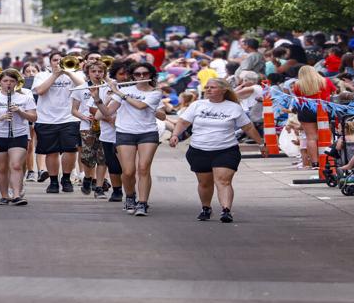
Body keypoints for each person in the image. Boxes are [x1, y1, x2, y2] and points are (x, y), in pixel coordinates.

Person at [171, 78, 259, 224]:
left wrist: (261, 144)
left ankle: (226, 211)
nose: (208, 89)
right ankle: (206, 208)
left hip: (226, 149)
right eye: (207, 87)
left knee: (223, 181)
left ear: (224, 90)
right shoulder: (197, 105)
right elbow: (183, 122)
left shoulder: (233, 107)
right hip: (199, 149)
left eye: (212, 87)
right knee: (205, 183)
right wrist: (175, 135)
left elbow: (248, 127)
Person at [102, 61, 165, 216]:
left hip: (148, 132)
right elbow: (108, 112)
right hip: (125, 132)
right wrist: (98, 98)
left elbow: (140, 106)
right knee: (128, 171)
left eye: (145, 74)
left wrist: (119, 93)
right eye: (137, 74)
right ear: (132, 76)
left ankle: (143, 203)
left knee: (143, 168)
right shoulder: (125, 89)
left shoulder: (155, 92)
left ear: (151, 75)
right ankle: (130, 196)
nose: (141, 76)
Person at [31, 54, 84, 193]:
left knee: (70, 150)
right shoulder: (42, 75)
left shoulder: (75, 73)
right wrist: (55, 74)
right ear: (50, 63)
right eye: (55, 60)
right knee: (51, 151)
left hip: (69, 118)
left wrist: (68, 72)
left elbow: (83, 87)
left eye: (61, 60)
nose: (58, 63)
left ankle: (66, 179)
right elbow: (40, 91)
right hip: (46, 119)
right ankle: (53, 181)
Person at [0, 69, 38, 205]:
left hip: (19, 134)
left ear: (16, 83)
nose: (8, 84)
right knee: (1, 168)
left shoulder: (24, 97)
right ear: (0, 82)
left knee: (15, 165)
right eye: (5, 81)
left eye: (12, 81)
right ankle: (4, 195)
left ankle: (16, 195)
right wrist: (0, 117)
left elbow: (33, 117)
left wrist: (20, 111)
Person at [72, 58, 113, 199]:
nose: (97, 74)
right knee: (88, 157)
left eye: (100, 71)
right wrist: (84, 117)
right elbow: (74, 110)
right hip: (86, 126)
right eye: (93, 71)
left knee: (103, 158)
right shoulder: (80, 88)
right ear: (87, 73)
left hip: (105, 126)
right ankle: (88, 178)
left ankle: (99, 187)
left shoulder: (108, 87)